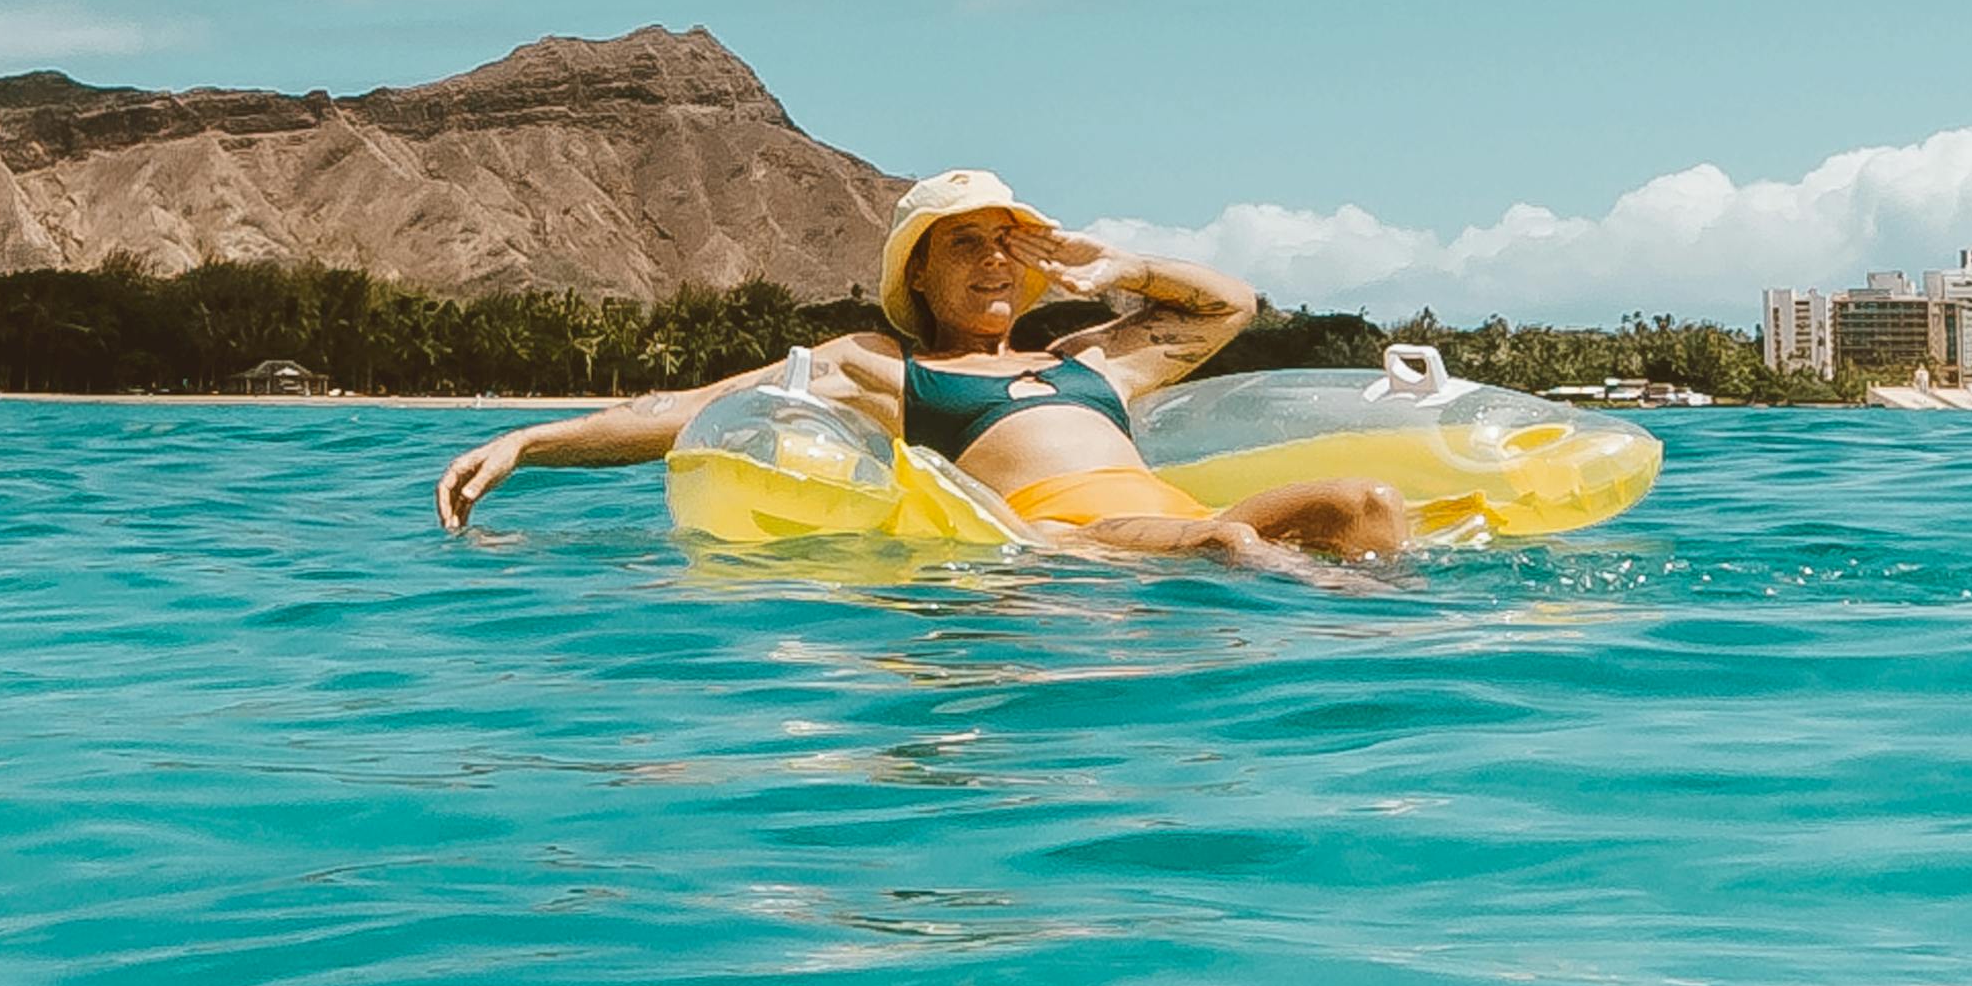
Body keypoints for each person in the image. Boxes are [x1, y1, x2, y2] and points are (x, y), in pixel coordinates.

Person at [430, 169, 1419, 572]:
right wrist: (528, 440)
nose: (994, 259)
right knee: (1228, 545)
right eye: (966, 245)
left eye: (1007, 241)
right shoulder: (883, 368)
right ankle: (1361, 657)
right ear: (917, 271)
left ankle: (1386, 665)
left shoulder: (1089, 360)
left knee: (1365, 504)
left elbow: (1225, 304)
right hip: (1066, 535)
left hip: (1158, 513)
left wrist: (1118, 268)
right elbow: (688, 409)